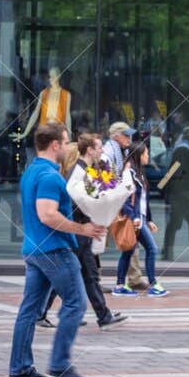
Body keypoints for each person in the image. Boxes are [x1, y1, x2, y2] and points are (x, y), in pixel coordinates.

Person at [8, 123, 103, 377]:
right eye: (65, 141)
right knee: (76, 303)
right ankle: (60, 364)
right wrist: (81, 228)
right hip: (54, 249)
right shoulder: (50, 176)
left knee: (30, 309)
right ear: (55, 145)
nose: (69, 146)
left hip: (34, 250)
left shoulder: (31, 172)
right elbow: (47, 214)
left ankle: (19, 366)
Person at [62, 132, 129, 329]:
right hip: (80, 230)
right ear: (90, 150)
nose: (102, 150)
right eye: (99, 147)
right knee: (84, 275)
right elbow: (76, 201)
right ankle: (103, 316)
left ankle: (99, 315)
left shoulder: (87, 170)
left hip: (83, 230)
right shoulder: (79, 172)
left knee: (82, 274)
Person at [112, 138, 168, 297]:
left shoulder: (139, 174)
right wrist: (134, 217)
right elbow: (124, 199)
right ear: (139, 155)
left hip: (140, 219)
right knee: (151, 248)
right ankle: (153, 284)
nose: (148, 156)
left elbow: (144, 200)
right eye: (146, 153)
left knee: (128, 252)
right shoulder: (128, 173)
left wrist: (148, 219)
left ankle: (119, 285)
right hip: (134, 220)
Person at [158, 126, 189, 260]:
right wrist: (186, 193)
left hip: (181, 193)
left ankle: (167, 253)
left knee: (174, 223)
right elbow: (175, 170)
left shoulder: (184, 148)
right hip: (182, 194)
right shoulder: (183, 149)